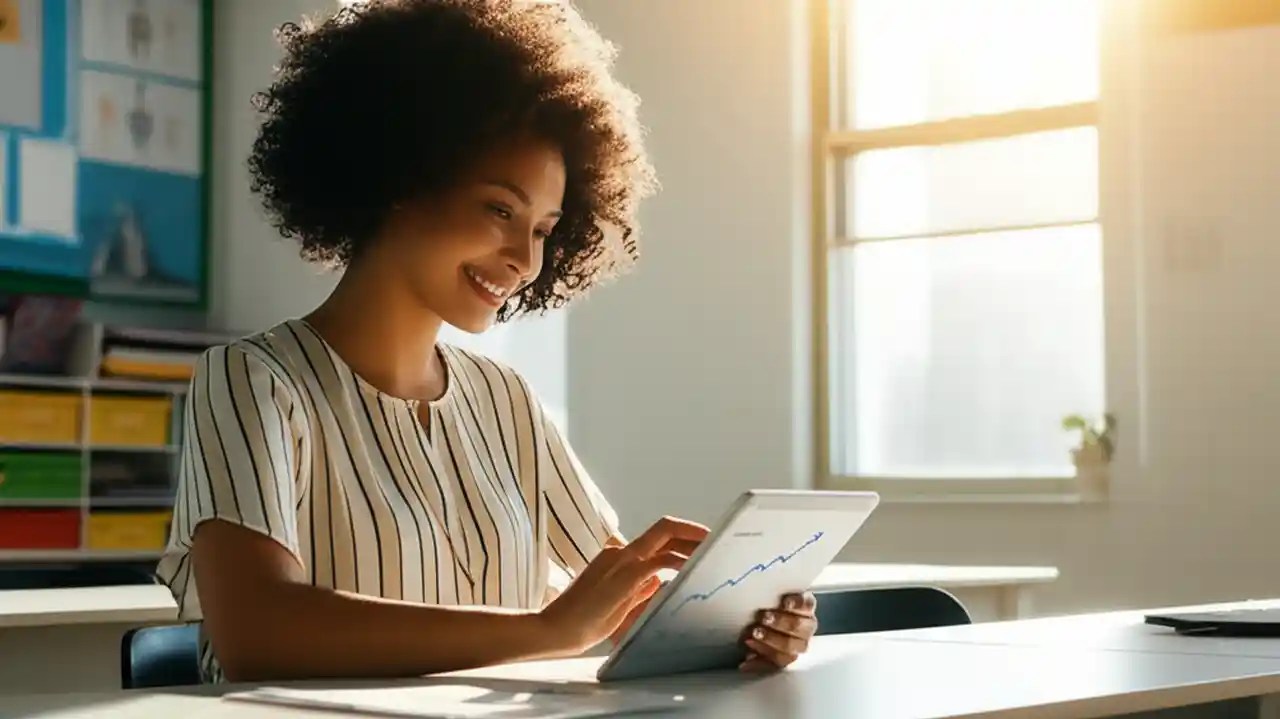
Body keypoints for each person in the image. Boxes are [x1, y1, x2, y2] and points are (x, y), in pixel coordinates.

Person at [155, 0, 818, 683]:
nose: (525, 261)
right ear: (399, 178)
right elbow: (256, 633)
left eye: (542, 229)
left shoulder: (504, 399)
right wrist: (547, 630)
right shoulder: (252, 380)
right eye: (500, 210)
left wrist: (744, 626)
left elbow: (616, 602)